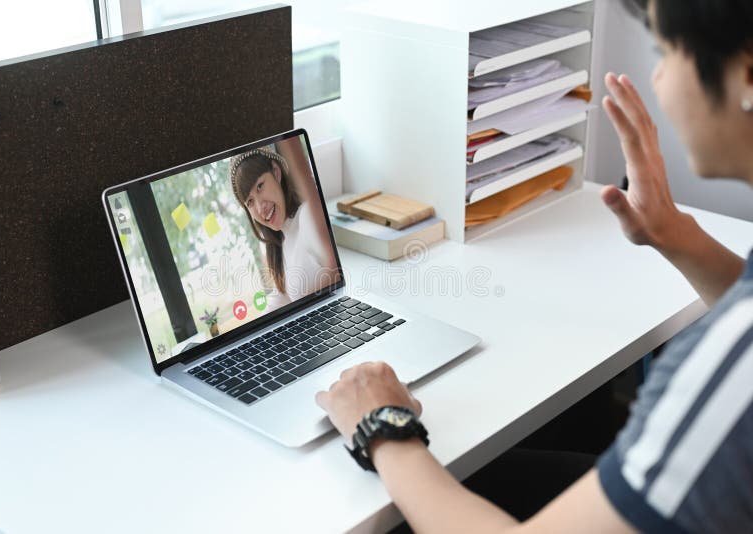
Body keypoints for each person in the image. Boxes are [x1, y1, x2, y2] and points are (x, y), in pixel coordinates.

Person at [316, 0, 753, 531]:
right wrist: (673, 234)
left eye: (665, 54)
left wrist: (382, 427)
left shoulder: (732, 377)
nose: (657, 80)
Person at [229, 142, 338, 304]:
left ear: (276, 172)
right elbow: (281, 297)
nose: (260, 207)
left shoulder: (307, 218)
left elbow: (336, 273)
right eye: (250, 201)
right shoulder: (280, 246)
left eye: (260, 186)